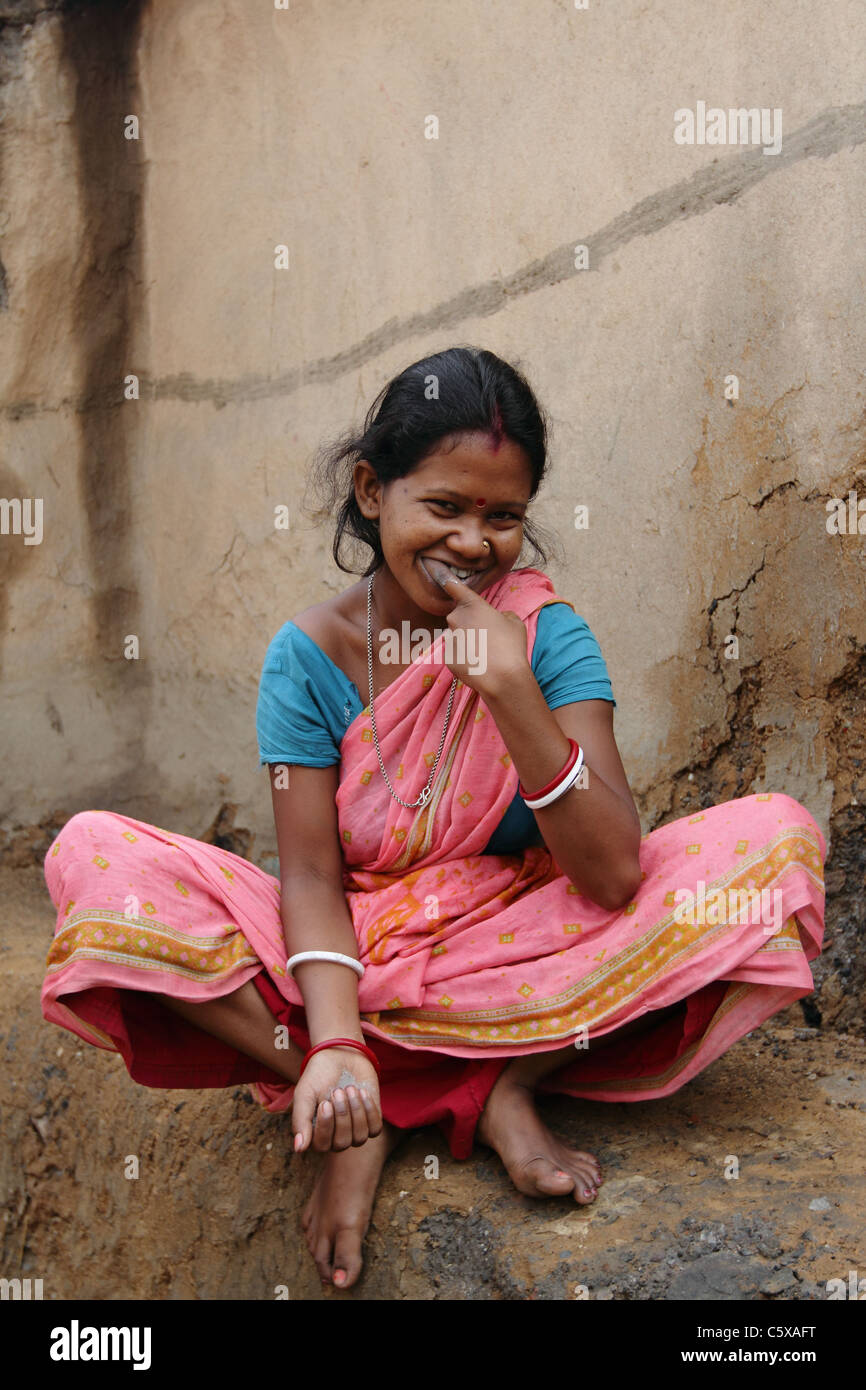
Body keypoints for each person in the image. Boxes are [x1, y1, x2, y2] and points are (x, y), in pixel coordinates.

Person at [42, 346, 826, 1293]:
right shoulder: (310, 656)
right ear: (373, 492)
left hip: (519, 942)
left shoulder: (542, 633)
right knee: (96, 855)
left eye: (503, 518)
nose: (472, 542)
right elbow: (310, 879)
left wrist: (511, 695)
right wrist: (333, 1049)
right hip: (354, 951)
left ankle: (485, 1084)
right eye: (444, 507)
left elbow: (614, 875)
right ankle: (377, 1089)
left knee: (776, 842)